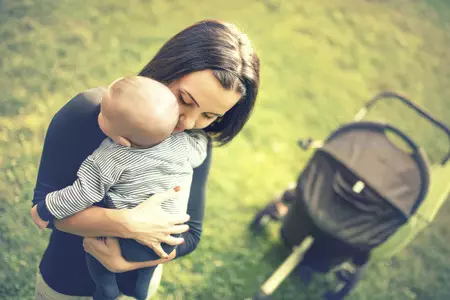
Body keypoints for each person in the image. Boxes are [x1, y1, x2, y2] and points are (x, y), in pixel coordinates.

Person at [32, 19, 260, 300]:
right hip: (67, 284)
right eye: (184, 99)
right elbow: (47, 211)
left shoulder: (194, 142)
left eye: (209, 115)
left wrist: (129, 263)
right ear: (169, 68)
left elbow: (191, 235)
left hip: (140, 282)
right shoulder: (88, 114)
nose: (188, 123)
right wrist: (126, 223)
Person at [31, 76, 208, 300]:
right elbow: (200, 151)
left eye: (103, 115)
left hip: (125, 242)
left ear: (122, 139)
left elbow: (82, 193)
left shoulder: (110, 158)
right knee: (145, 265)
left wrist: (46, 209)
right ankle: (141, 286)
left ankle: (105, 287)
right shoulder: (182, 144)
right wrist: (201, 138)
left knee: (97, 253)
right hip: (167, 234)